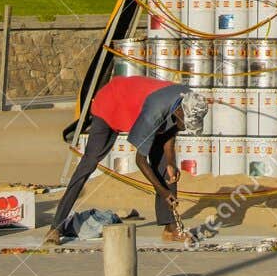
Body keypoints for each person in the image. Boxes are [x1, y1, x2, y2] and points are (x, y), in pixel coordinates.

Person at [45, 78, 208, 244]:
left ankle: (171, 228)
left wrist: (172, 162)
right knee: (89, 163)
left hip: (137, 105)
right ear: (179, 111)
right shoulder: (155, 111)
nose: (184, 127)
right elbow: (140, 160)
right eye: (185, 123)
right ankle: (55, 227)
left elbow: (172, 131)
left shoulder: (188, 97)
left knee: (167, 168)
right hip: (110, 104)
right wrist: (163, 192)